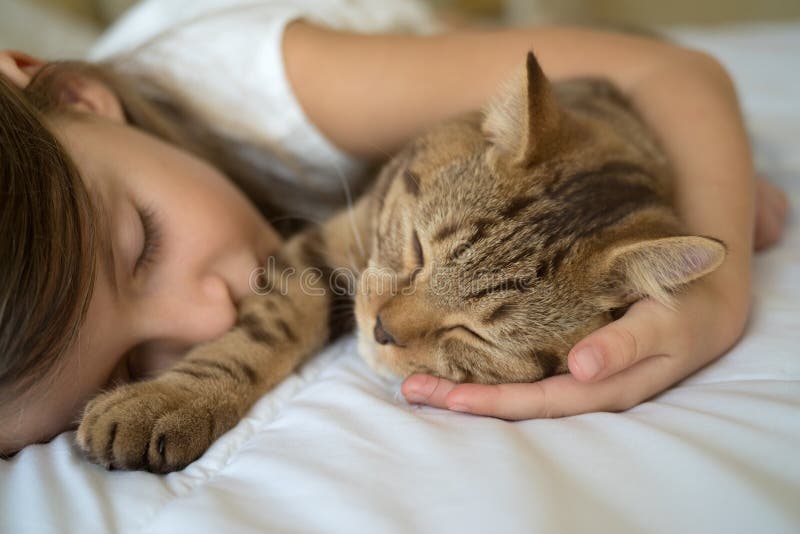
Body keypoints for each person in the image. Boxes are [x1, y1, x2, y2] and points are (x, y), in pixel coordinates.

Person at [0, 0, 789, 456]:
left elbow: (675, 73)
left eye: (146, 244)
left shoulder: (258, 79)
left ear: (75, 96)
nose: (386, 322)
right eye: (126, 369)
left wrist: (712, 295)